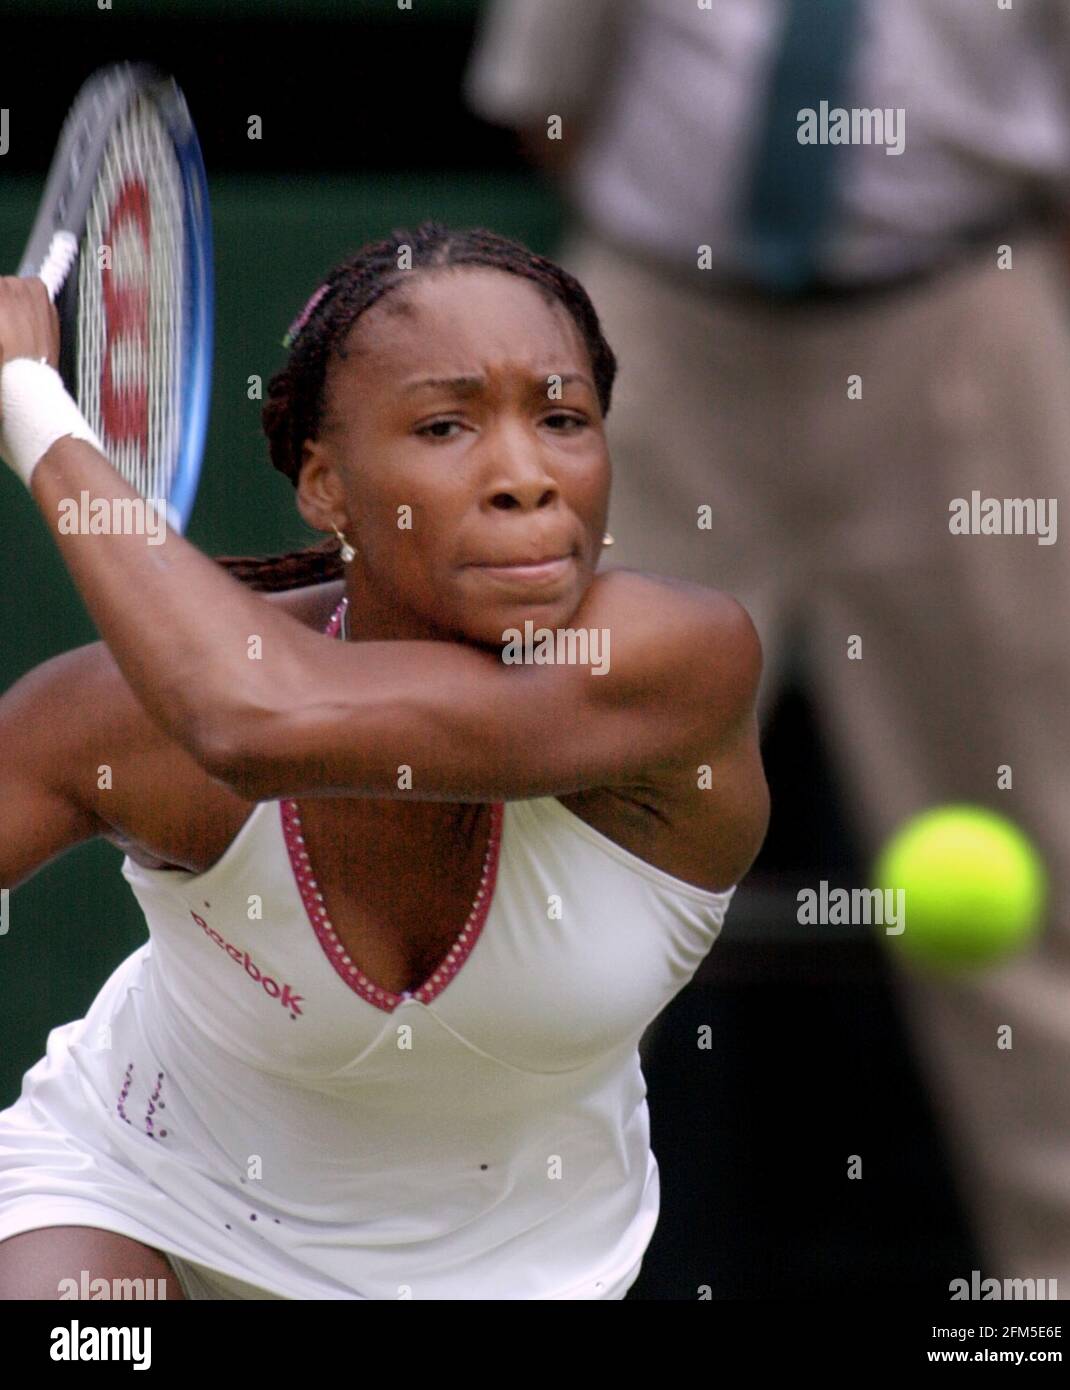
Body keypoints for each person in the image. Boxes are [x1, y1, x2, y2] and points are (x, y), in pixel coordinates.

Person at [464, 0, 1070, 1295]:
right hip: (657, 332)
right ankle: (469, 1256)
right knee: (527, 842)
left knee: (1055, 856)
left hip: (966, 323)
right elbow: (550, 106)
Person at [0, 223, 768, 1300]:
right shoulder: (117, 722)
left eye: (562, 418)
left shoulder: (676, 664)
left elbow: (253, 721)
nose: (524, 477)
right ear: (325, 485)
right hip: (131, 1199)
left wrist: (30, 403)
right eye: (446, 425)